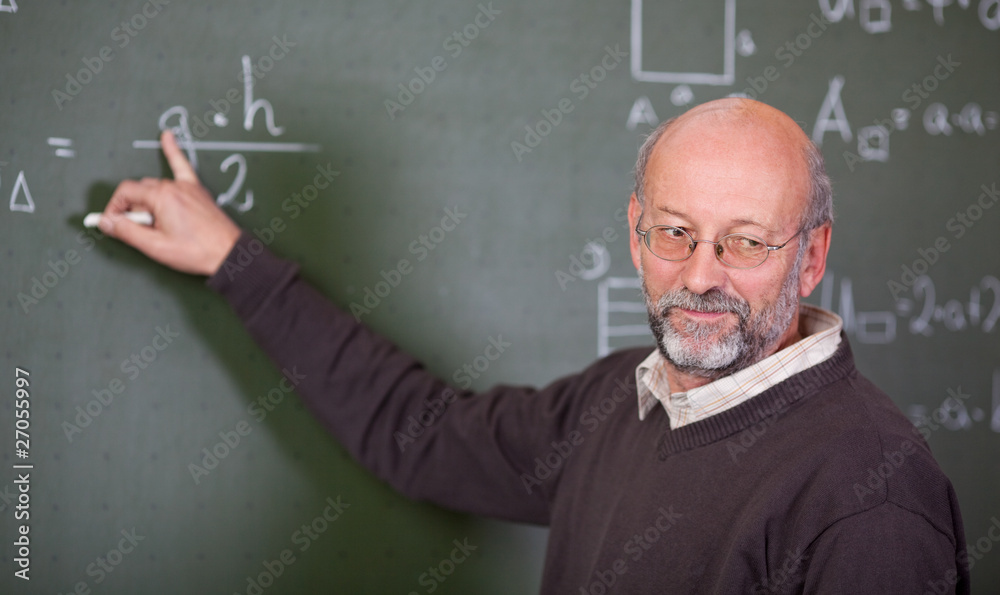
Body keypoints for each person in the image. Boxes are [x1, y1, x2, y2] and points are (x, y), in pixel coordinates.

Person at [99, 98, 969, 594]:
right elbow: (422, 435)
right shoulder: (617, 405)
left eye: (747, 242)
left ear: (811, 253)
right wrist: (232, 260)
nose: (702, 275)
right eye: (675, 231)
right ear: (634, 233)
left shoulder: (870, 502)